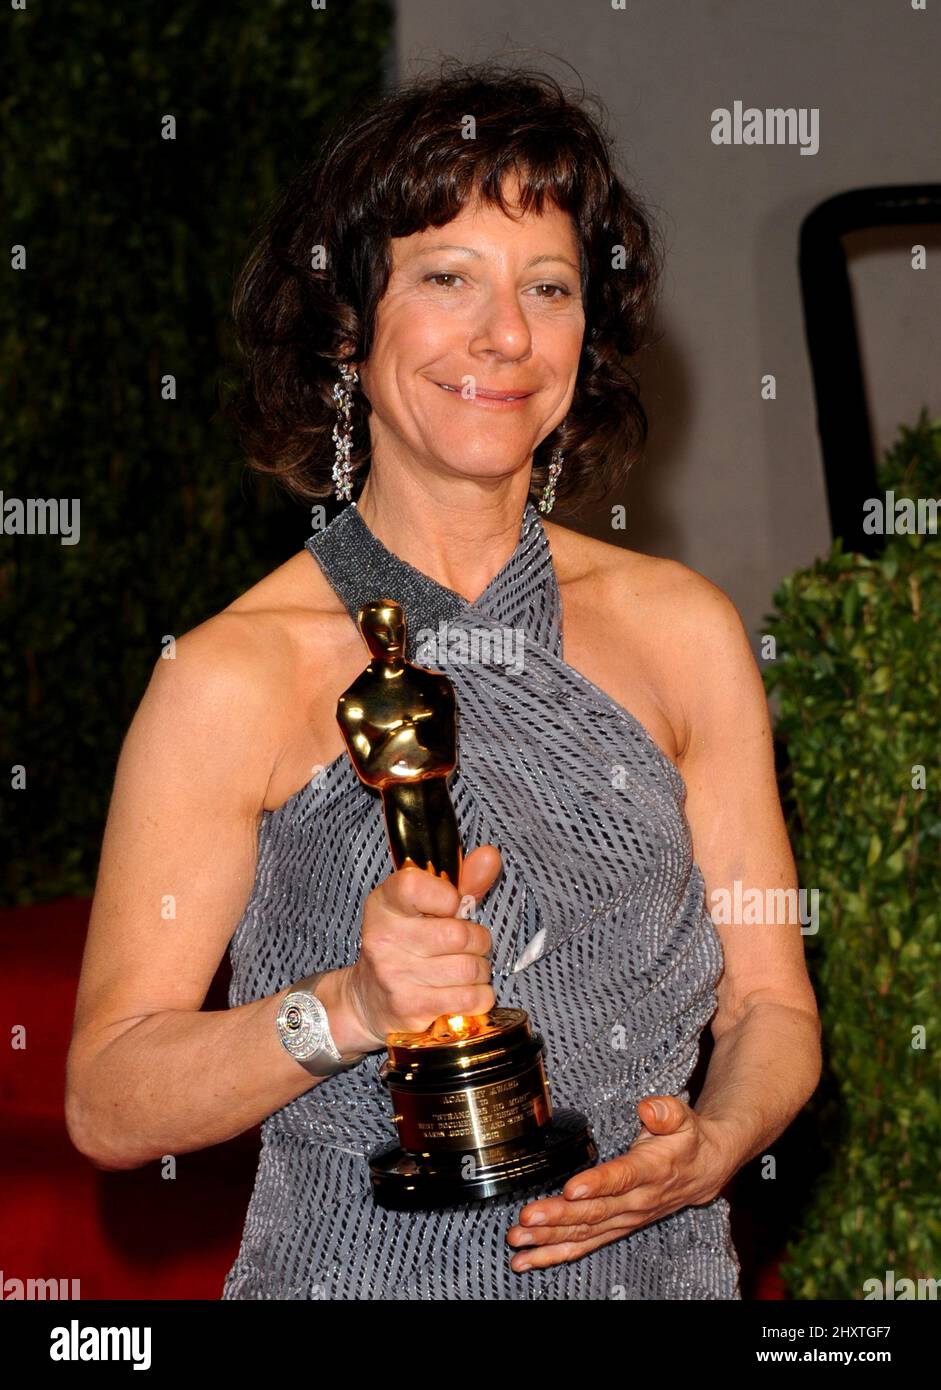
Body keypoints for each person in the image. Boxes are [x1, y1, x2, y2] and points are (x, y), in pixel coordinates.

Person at [65, 61, 822, 1300]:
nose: (506, 336)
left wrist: (713, 1148)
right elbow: (106, 1096)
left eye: (546, 287)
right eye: (446, 279)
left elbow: (769, 1011)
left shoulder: (683, 630)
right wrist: (347, 1007)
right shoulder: (228, 676)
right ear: (347, 330)